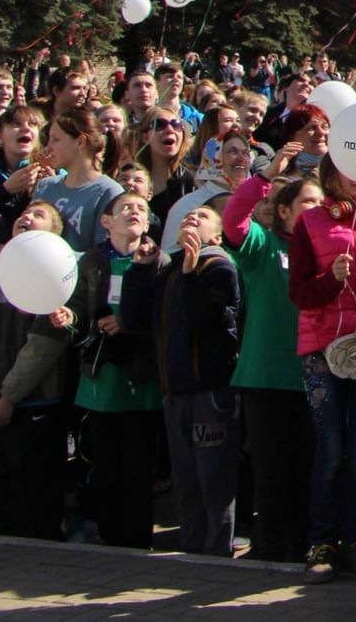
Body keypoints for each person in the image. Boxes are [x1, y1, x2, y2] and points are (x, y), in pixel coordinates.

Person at [288, 154, 356, 581]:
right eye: (348, 169)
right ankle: (322, 541)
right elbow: (299, 293)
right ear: (331, 175)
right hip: (323, 347)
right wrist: (331, 279)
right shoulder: (310, 222)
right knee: (331, 446)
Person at [122, 203, 242, 557]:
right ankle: (192, 548)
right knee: (186, 478)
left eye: (202, 217)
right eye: (188, 215)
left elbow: (214, 325)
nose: (192, 217)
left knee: (213, 478)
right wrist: (140, 271)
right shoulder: (169, 271)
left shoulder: (218, 267)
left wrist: (191, 276)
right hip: (174, 391)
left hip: (210, 393)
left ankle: (217, 550)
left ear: (217, 236)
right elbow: (135, 321)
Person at [221, 166, 320, 563]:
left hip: (315, 377)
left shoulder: (328, 250)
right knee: (270, 468)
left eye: (320, 202)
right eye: (307, 203)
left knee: (309, 467)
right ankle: (271, 546)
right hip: (265, 377)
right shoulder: (263, 246)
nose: (316, 209)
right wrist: (264, 176)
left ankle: (306, 544)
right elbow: (234, 220)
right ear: (283, 212)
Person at [63, 190, 164, 548]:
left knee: (138, 464)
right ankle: (108, 535)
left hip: (141, 378)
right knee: (104, 462)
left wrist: (129, 322)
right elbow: (77, 308)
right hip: (101, 376)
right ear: (107, 221)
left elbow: (163, 317)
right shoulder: (91, 261)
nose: (134, 213)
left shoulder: (160, 262)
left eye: (141, 208)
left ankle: (137, 539)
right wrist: (69, 319)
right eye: (126, 208)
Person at [0, 199, 70, 539]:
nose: (26, 217)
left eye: (39, 214)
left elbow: (42, 347)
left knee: (35, 488)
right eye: (23, 214)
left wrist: (8, 398)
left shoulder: (58, 274)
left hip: (37, 402)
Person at [29, 106, 125, 253]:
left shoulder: (109, 192)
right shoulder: (45, 187)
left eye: (55, 139)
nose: (48, 147)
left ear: (80, 142)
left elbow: (103, 253)